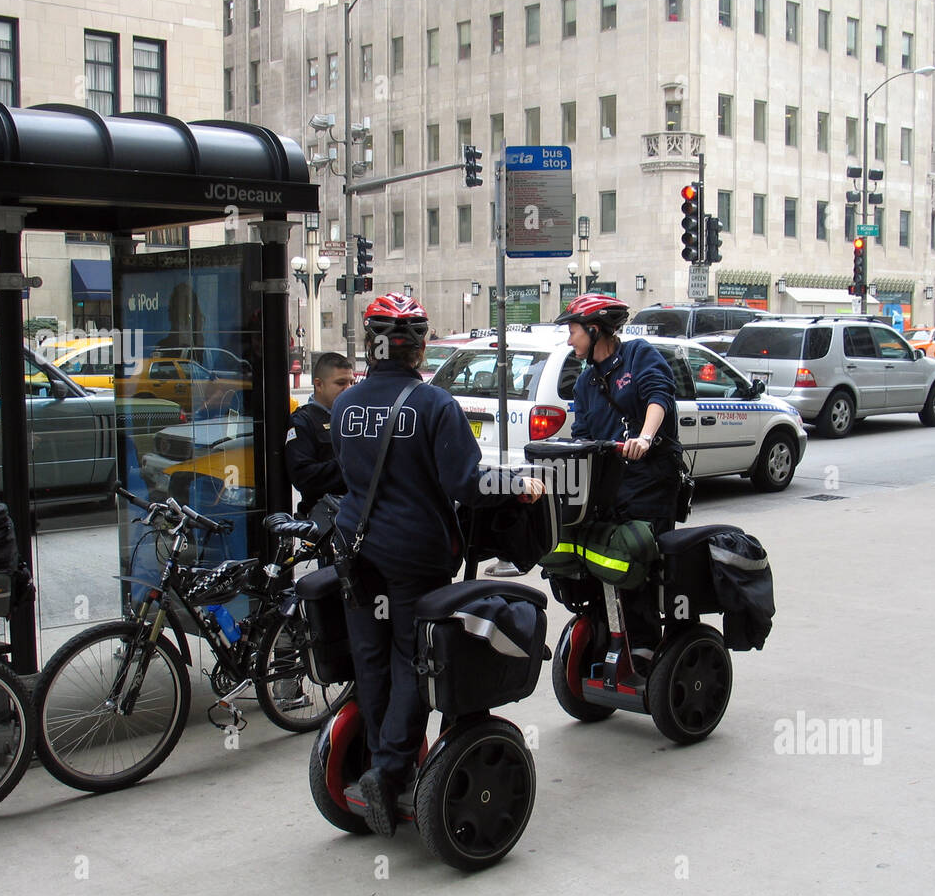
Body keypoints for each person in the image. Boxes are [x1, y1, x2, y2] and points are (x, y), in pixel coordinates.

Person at [330, 293, 543, 836]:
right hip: (412, 555)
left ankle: (379, 753)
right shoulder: (434, 405)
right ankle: (390, 769)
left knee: (370, 660)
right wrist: (519, 484)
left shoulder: (344, 404)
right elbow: (466, 485)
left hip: (354, 551)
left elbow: (350, 475)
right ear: (417, 345)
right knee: (411, 660)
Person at [557, 293, 683, 668]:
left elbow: (659, 395)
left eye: (574, 332)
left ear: (595, 331)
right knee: (600, 554)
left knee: (638, 554)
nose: (569, 340)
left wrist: (644, 437)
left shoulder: (638, 355)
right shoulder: (585, 383)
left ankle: (644, 644)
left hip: (651, 479)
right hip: (610, 484)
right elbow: (581, 434)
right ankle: (605, 629)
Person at [285, 351, 354, 515]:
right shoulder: (303, 422)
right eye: (341, 383)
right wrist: (352, 466)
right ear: (318, 385)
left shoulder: (357, 417)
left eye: (352, 382)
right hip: (323, 519)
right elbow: (304, 477)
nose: (349, 388)